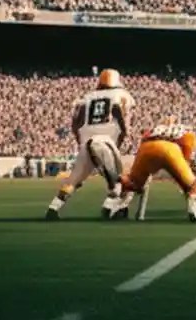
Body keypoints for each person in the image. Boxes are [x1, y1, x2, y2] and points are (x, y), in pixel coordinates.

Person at [44, 69, 133, 220]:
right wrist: (125, 131)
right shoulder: (122, 94)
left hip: (87, 142)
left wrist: (79, 139)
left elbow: (75, 122)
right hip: (105, 141)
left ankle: (54, 207)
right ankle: (110, 208)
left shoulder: (88, 96)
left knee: (74, 179)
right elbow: (118, 109)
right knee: (119, 179)